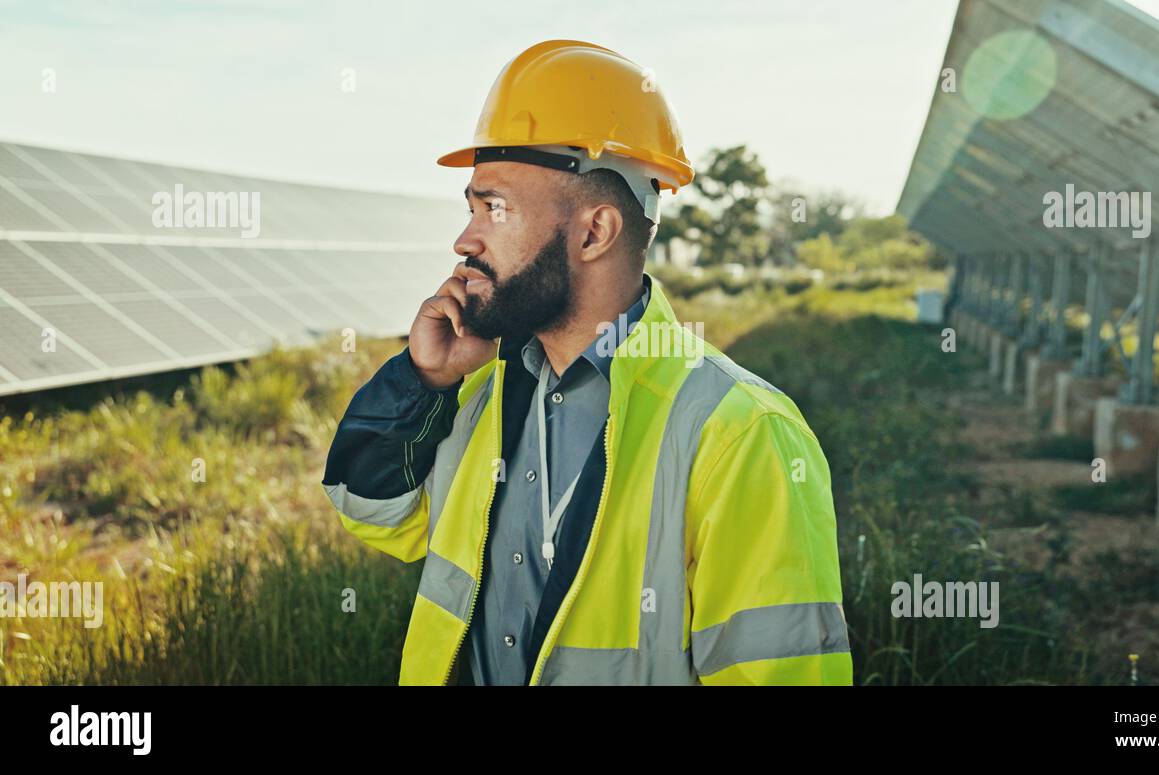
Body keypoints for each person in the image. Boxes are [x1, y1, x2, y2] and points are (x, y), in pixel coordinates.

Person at [322, 39, 850, 685]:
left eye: (496, 208)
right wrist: (422, 380)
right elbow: (370, 513)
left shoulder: (742, 434)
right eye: (470, 208)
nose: (464, 239)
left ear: (594, 232)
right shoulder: (476, 390)